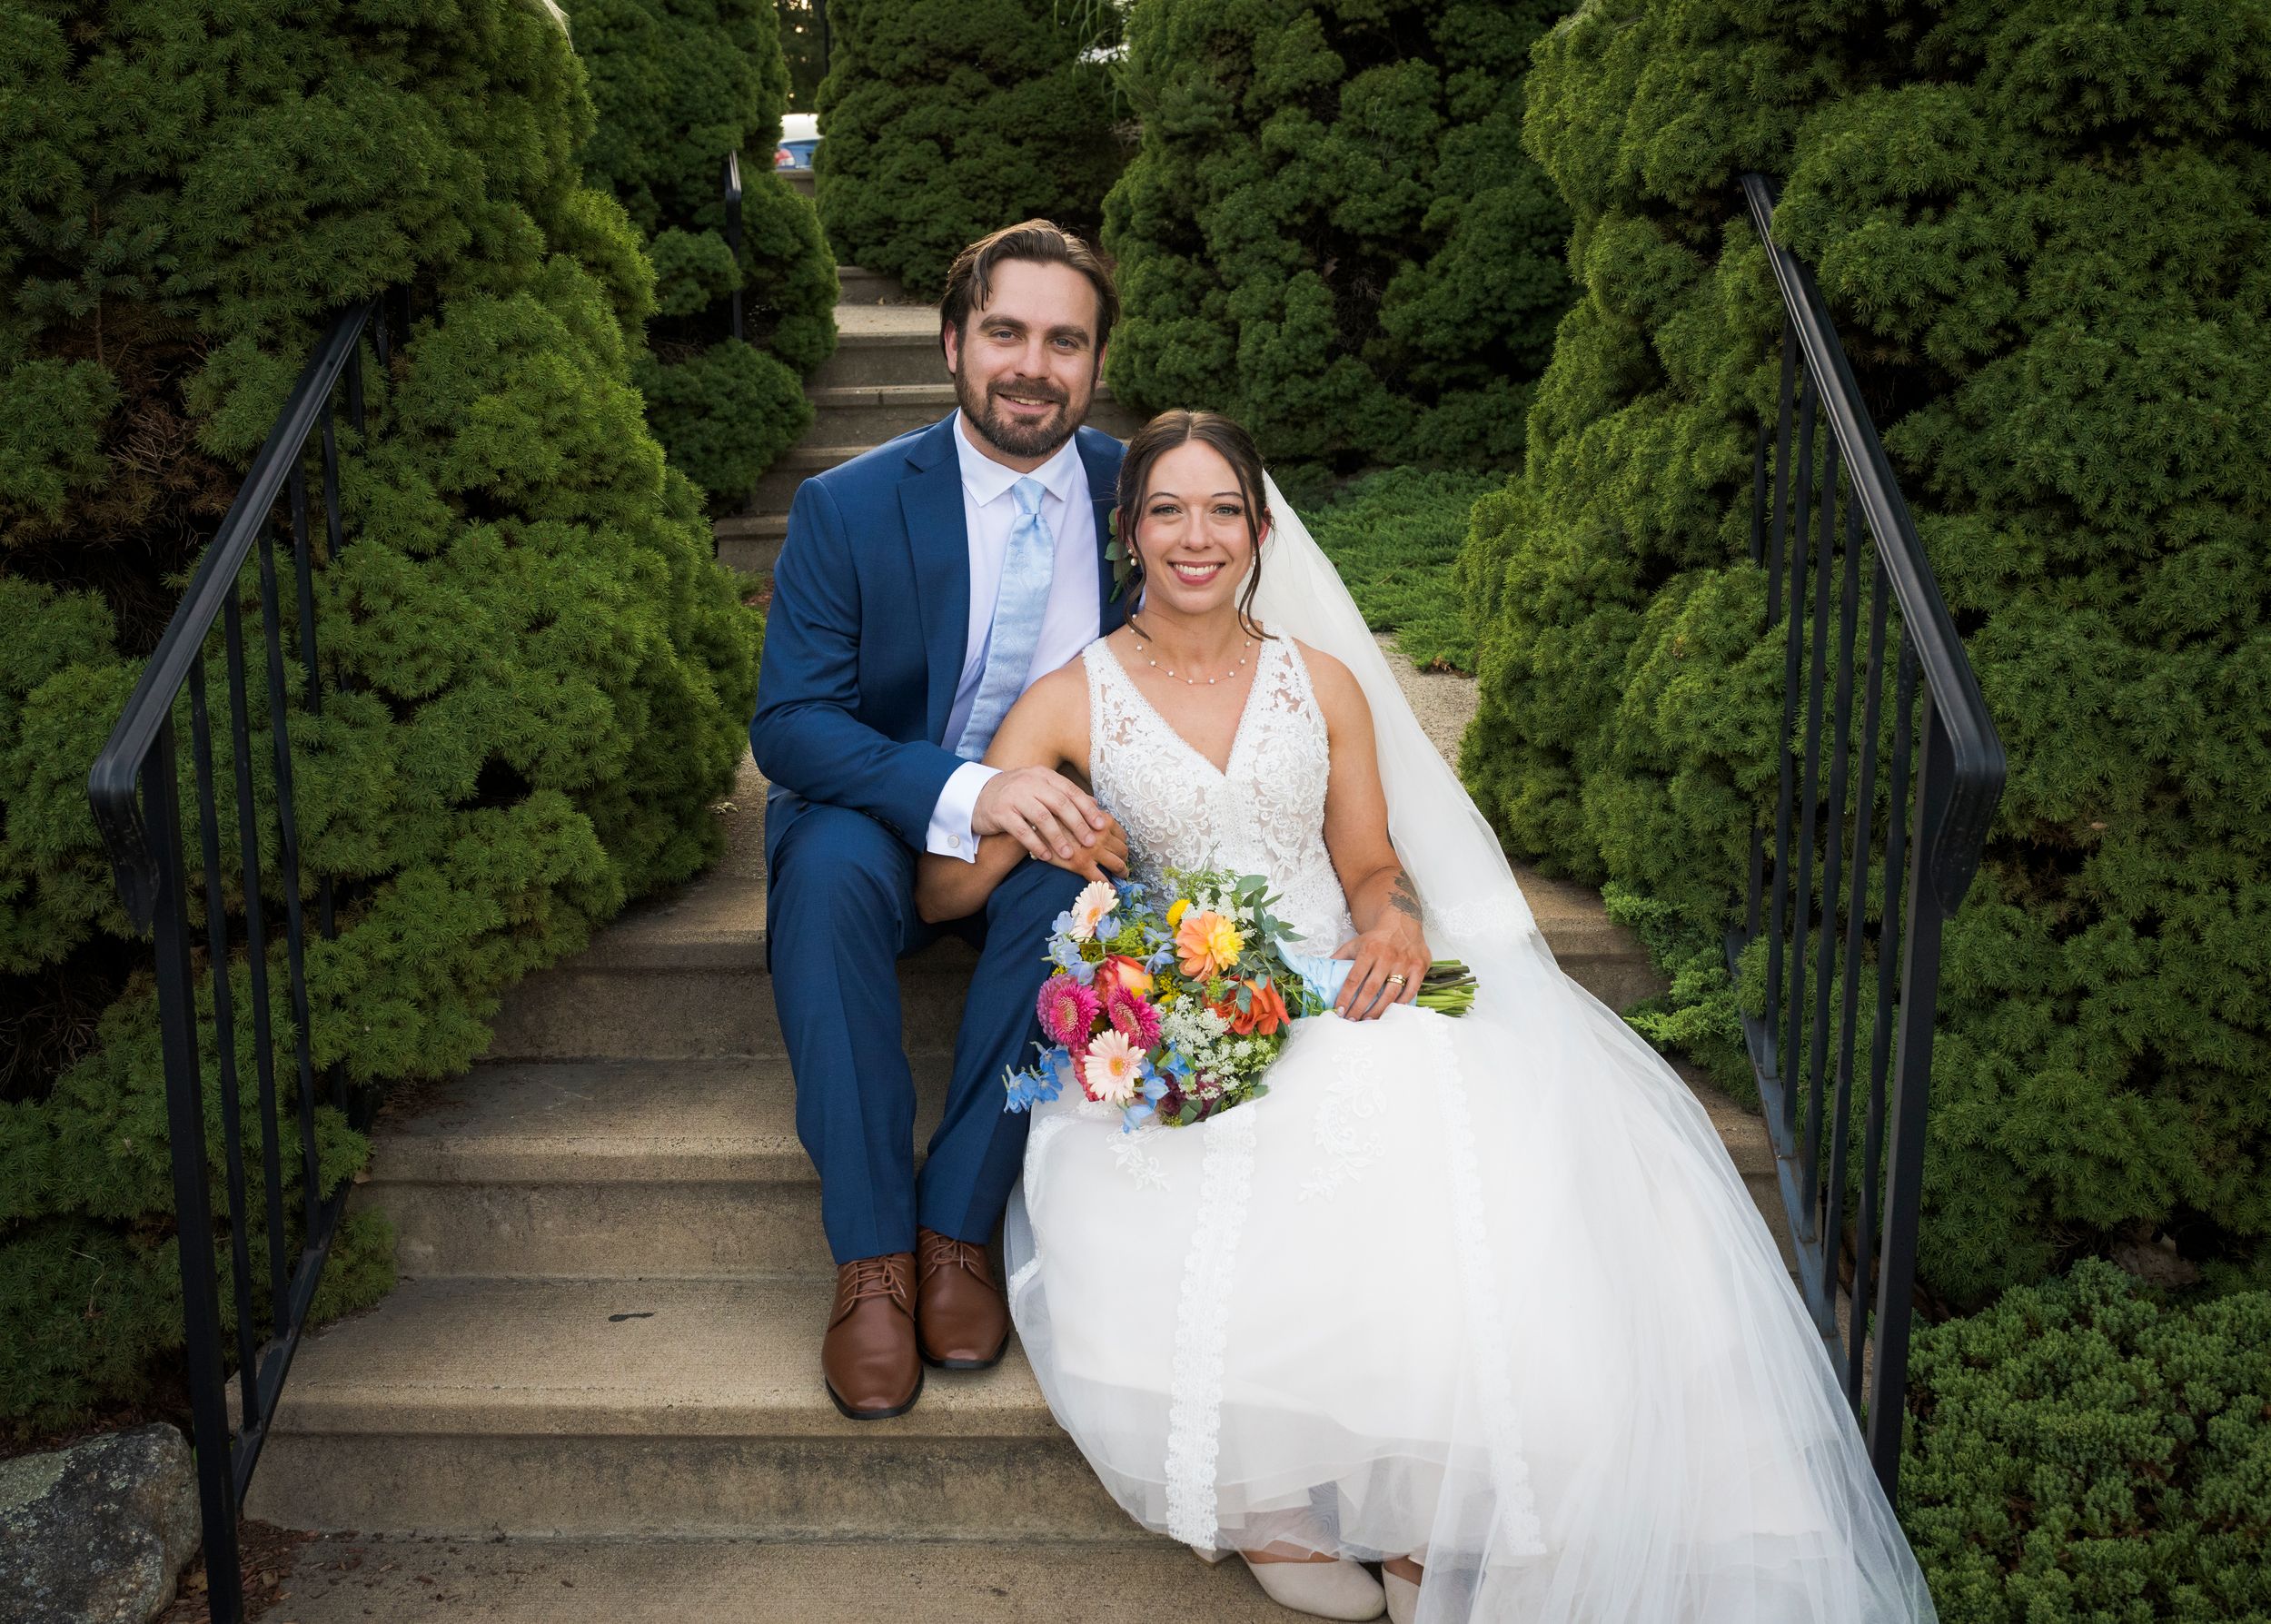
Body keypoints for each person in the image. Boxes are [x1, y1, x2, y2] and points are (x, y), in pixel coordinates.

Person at [913, 411, 1939, 1624]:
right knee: (1197, 1178)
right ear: (1129, 530)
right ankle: (1274, 1506)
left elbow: (1365, 860)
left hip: (1338, 978)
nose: (1198, 537)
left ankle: (1427, 1515)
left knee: (1430, 1131)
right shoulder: (1071, 696)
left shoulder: (1321, 681)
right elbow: (944, 893)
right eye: (1168, 511)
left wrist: (1393, 921)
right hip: (1188, 1014)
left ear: (1261, 529)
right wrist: (1021, 815)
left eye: (1225, 510)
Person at [749, 221, 1135, 1421]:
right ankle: (871, 1260)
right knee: (825, 876)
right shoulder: (848, 505)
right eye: (1006, 332)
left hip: (1048, 835)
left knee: (1074, 892)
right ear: (955, 343)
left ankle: (957, 1227)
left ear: (1098, 361)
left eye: (1065, 341)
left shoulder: (1142, 497)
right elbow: (792, 724)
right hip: (878, 810)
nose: (1033, 366)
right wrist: (971, 792)